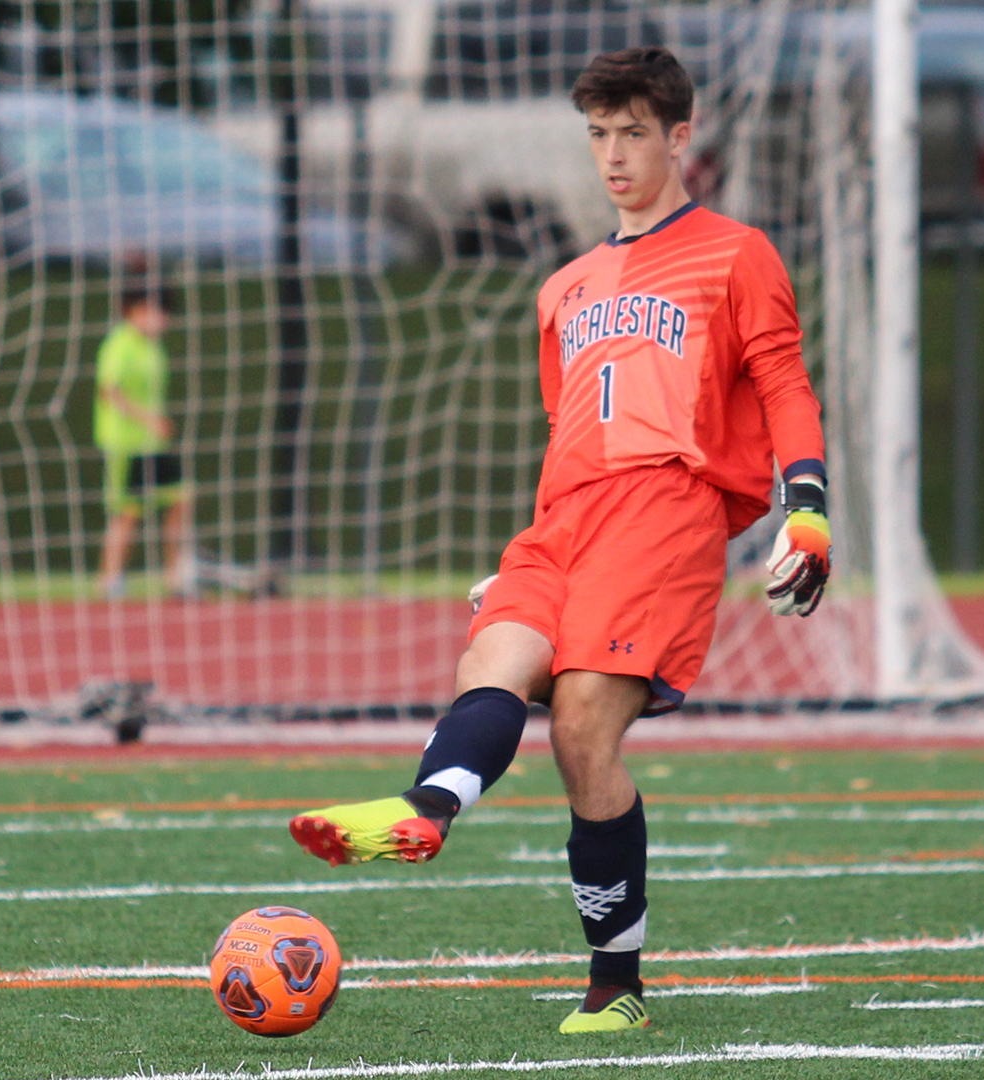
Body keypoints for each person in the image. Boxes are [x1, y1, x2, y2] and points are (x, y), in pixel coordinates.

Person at [288, 46, 831, 1034]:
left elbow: (785, 386)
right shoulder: (565, 287)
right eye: (599, 135)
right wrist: (524, 550)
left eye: (634, 134)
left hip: (665, 513)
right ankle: (424, 809)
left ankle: (616, 986)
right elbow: (569, 427)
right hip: (563, 519)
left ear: (679, 136)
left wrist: (807, 508)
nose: (615, 155)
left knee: (583, 726)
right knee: (495, 656)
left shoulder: (735, 252)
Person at [95, 286, 194, 599]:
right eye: (149, 311)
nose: (158, 319)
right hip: (124, 443)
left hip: (154, 444)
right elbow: (109, 391)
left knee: (182, 499)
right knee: (127, 513)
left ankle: (175, 577)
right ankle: (109, 581)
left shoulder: (154, 348)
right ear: (132, 311)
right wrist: (149, 419)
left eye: (160, 312)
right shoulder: (119, 344)